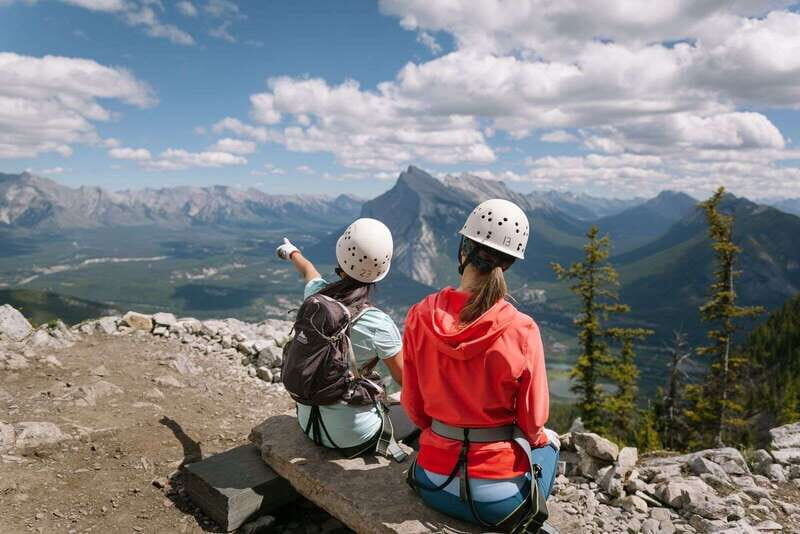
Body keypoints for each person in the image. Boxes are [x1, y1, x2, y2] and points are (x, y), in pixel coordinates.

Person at [401, 199, 560, 532]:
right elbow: (533, 424)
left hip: (432, 483)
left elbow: (414, 409)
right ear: (511, 263)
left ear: (464, 250)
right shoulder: (522, 329)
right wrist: (539, 440)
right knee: (550, 446)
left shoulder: (420, 315)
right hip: (498, 502)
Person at [276, 218, 414, 458]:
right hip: (354, 437)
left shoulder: (319, 298)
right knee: (420, 418)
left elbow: (308, 271)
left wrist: (291, 252)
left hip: (309, 424)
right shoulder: (378, 323)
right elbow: (408, 384)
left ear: (341, 258)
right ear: (381, 271)